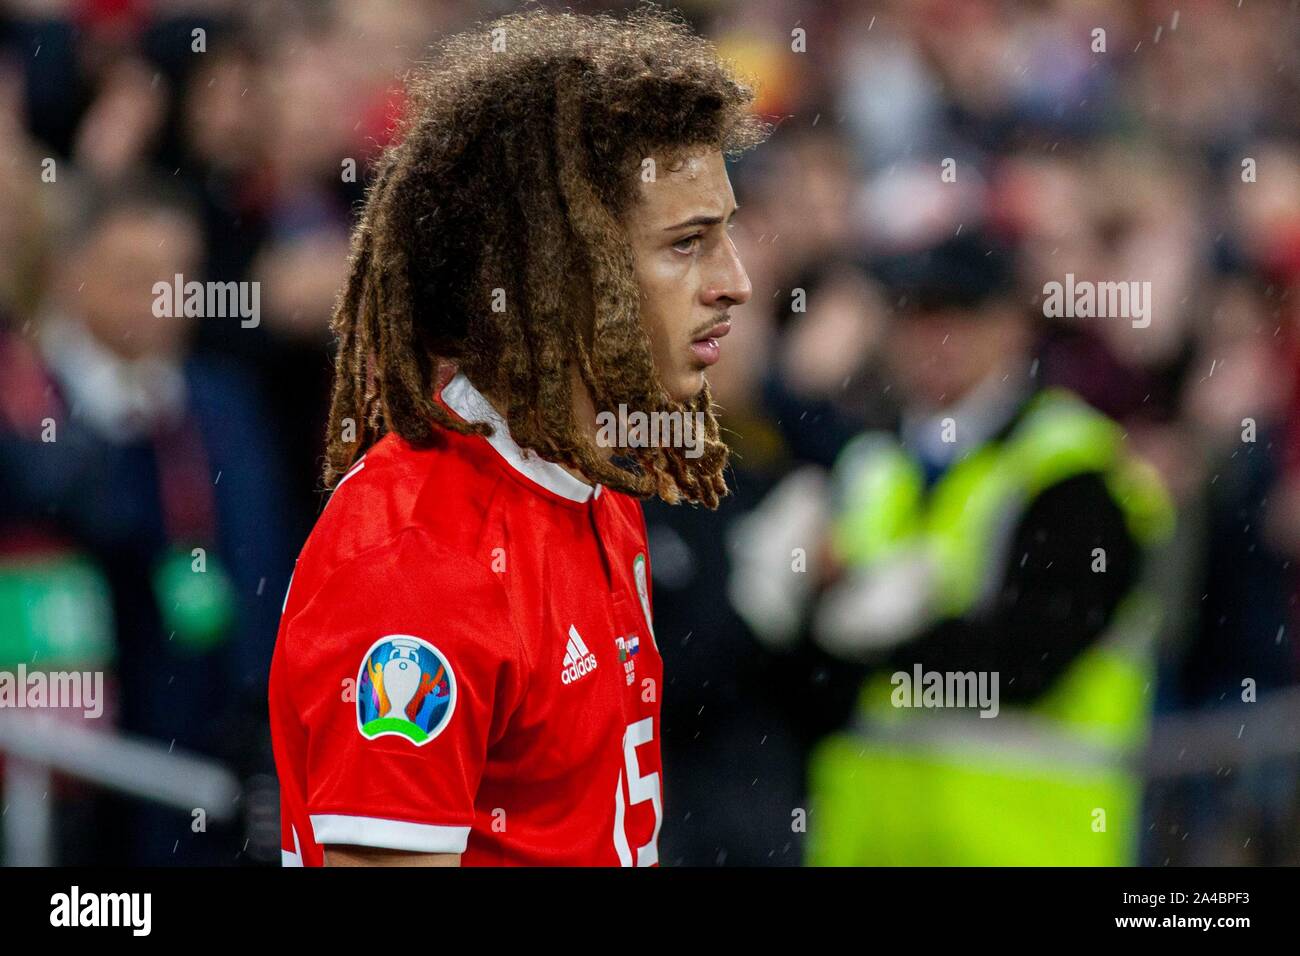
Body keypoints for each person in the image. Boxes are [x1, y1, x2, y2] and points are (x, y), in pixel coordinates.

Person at [268, 9, 765, 867]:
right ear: (561, 268)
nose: (737, 284)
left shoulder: (598, 490)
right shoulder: (414, 561)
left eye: (726, 235)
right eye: (688, 245)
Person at [731, 229, 1174, 865]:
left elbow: (1027, 661)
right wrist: (805, 612)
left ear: (1011, 326)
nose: (931, 338)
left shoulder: (1072, 468)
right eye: (913, 315)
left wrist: (869, 640)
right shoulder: (871, 463)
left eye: (956, 314)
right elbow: (804, 679)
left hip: (1025, 846)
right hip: (872, 846)